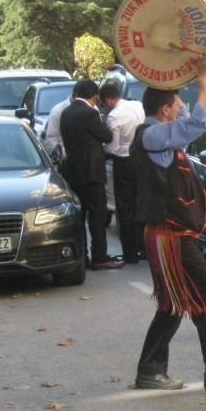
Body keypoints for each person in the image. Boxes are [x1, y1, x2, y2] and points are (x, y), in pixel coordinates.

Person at [133, 46, 206, 393]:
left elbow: (187, 113)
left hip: (168, 233)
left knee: (174, 304)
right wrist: (202, 77)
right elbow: (200, 120)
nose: (179, 108)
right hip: (170, 236)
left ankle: (151, 370)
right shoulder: (154, 134)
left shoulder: (158, 131)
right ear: (165, 109)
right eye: (174, 103)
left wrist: (177, 72)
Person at [59, 79, 124, 270]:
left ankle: (81, 256)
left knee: (79, 218)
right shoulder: (89, 113)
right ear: (95, 96)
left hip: (73, 172)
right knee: (97, 215)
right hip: (91, 172)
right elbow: (107, 136)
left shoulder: (66, 112)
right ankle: (100, 256)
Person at [99, 83, 146, 263]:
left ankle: (130, 252)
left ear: (109, 100)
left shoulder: (114, 116)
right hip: (141, 159)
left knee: (125, 207)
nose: (105, 108)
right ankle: (144, 247)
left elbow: (113, 147)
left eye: (104, 104)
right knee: (140, 202)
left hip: (124, 162)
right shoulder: (137, 105)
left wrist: (101, 149)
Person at [44, 93, 72, 163]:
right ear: (74, 95)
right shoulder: (57, 111)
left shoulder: (93, 109)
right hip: (66, 161)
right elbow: (51, 139)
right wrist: (64, 154)